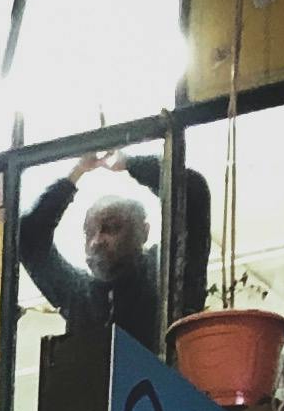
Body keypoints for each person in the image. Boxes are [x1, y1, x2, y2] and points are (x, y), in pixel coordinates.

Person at [14, 149, 211, 355]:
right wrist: (75, 174)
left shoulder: (166, 273)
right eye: (89, 233)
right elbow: (28, 238)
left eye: (111, 228)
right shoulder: (81, 294)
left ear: (143, 232)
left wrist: (130, 163)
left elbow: (192, 194)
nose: (96, 241)